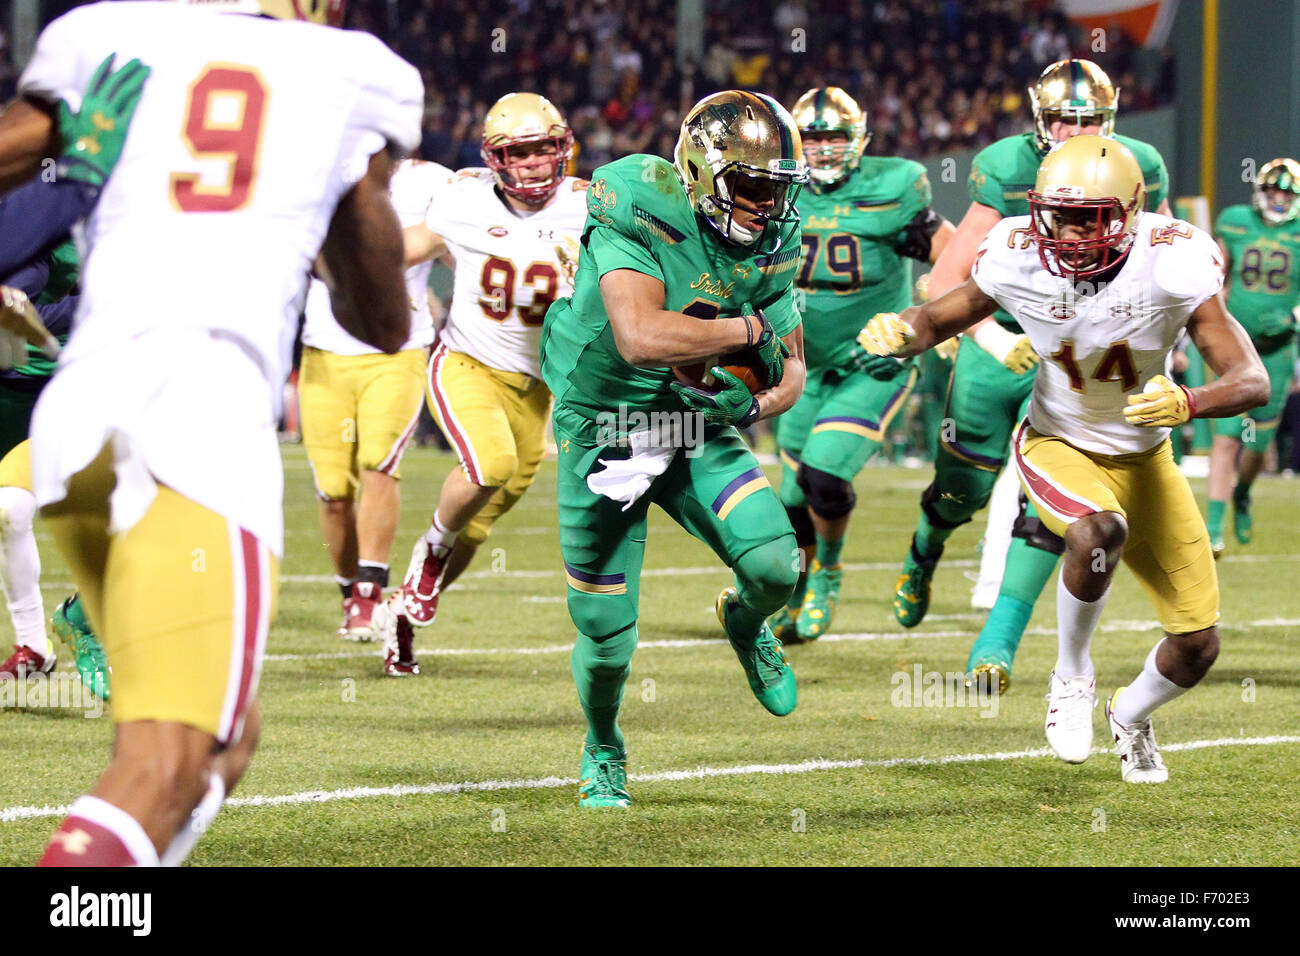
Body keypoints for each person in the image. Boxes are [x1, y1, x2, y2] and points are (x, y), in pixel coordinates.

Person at [4, 0, 420, 866]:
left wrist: (82, 176)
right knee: (162, 765)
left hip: (77, 420)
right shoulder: (353, 69)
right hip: (196, 420)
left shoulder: (103, 31)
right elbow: (381, 317)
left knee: (226, 742)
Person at [861, 135, 1268, 782]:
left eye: (1092, 217)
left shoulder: (1173, 260)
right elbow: (940, 316)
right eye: (1061, 215)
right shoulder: (1019, 253)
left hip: (1148, 458)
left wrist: (1189, 400)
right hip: (1059, 441)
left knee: (1197, 646)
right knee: (1098, 532)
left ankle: (1131, 714)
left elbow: (1251, 379)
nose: (1072, 233)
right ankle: (1072, 673)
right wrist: (901, 331)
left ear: (1131, 212)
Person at [540, 90, 809, 807]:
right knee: (603, 631)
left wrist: (751, 403)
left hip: (690, 419)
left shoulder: (779, 244)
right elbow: (641, 338)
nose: (764, 207)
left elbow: (798, 371)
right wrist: (749, 334)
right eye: (749, 186)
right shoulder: (639, 196)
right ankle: (603, 746)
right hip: (602, 423)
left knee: (777, 565)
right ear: (697, 172)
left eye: (776, 190)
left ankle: (744, 623)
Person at [888, 59, 1172, 697]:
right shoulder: (1008, 166)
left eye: (1089, 120)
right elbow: (947, 279)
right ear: (1038, 122)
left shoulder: (1139, 164)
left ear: (1112, 119)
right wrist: (989, 336)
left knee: (1063, 503)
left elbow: (1160, 254)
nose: (1075, 132)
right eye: (1062, 119)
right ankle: (924, 551)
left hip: (1085, 354)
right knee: (962, 489)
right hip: (1008, 344)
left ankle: (998, 640)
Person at [393, 94, 587, 673]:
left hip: (537, 389)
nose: (531, 164)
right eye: (517, 153)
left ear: (563, 148)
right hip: (468, 364)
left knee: (476, 528)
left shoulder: (593, 207)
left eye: (543, 149)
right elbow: (407, 249)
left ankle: (402, 609)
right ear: (495, 159)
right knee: (490, 466)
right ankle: (428, 556)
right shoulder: (462, 200)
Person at [770, 86, 954, 643]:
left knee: (824, 474)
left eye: (835, 137)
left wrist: (915, 323)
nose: (824, 149)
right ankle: (796, 592)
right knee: (792, 498)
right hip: (801, 367)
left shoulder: (893, 188)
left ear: (861, 140)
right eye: (814, 137)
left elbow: (959, 261)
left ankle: (827, 573)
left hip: (870, 366)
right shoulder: (774, 192)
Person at [298, 157, 448, 647]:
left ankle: (369, 590)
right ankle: (349, 593)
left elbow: (464, 251)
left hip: (396, 348)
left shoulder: (434, 180)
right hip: (324, 349)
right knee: (331, 491)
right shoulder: (315, 166)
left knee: (380, 465)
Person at [1206, 158, 1300, 555]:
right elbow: (1214, 274)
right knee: (1227, 437)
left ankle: (1242, 493)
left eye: (1287, 192)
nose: (1278, 199)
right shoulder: (1234, 220)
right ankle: (1211, 530)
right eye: (1273, 191)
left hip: (1278, 353)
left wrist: (1293, 315)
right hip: (1235, 347)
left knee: (1257, 448)